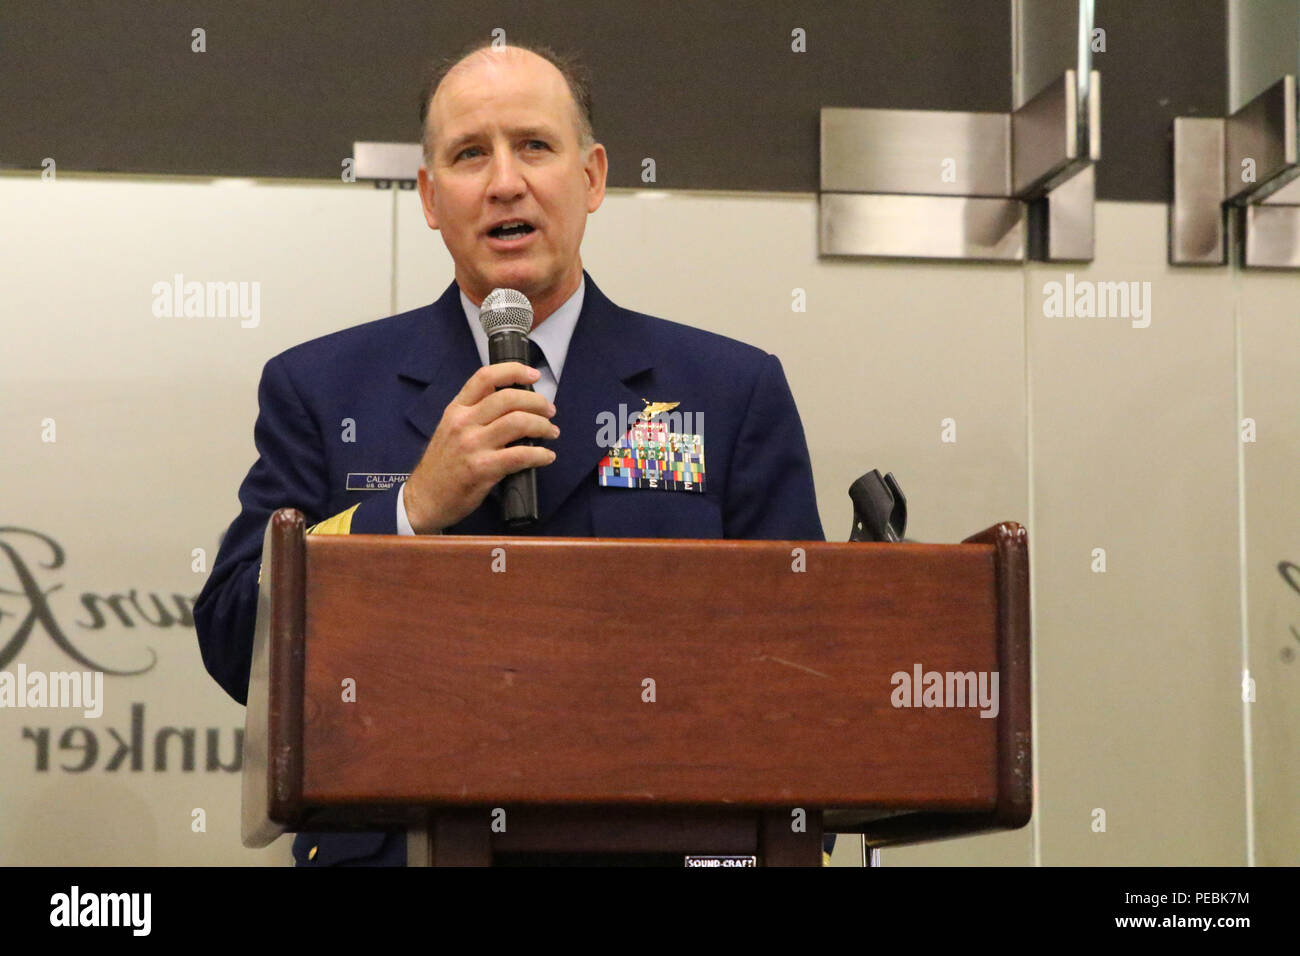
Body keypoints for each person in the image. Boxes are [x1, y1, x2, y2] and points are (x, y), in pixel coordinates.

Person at [194, 41, 829, 866]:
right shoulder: (321, 390)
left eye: (534, 145)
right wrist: (410, 512)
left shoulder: (727, 390)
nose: (503, 182)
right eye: (468, 155)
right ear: (429, 196)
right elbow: (236, 639)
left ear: (593, 177)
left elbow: (809, 659)